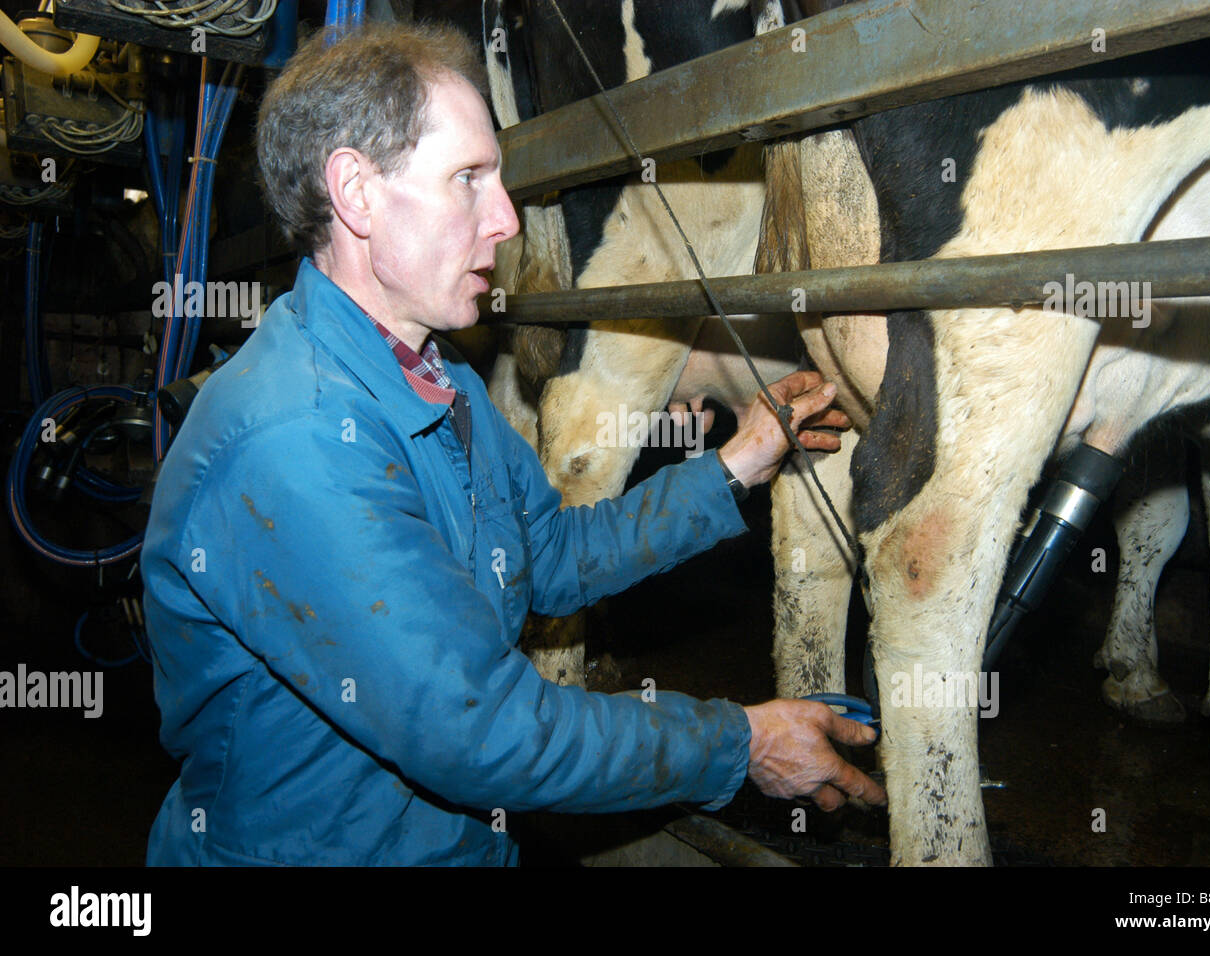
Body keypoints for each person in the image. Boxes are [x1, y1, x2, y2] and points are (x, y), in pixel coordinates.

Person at [141, 20, 884, 866]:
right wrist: (737, 743)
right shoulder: (294, 440)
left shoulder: (439, 377)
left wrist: (736, 463)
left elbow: (554, 555)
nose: (504, 218)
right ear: (357, 192)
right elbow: (478, 728)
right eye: (468, 179)